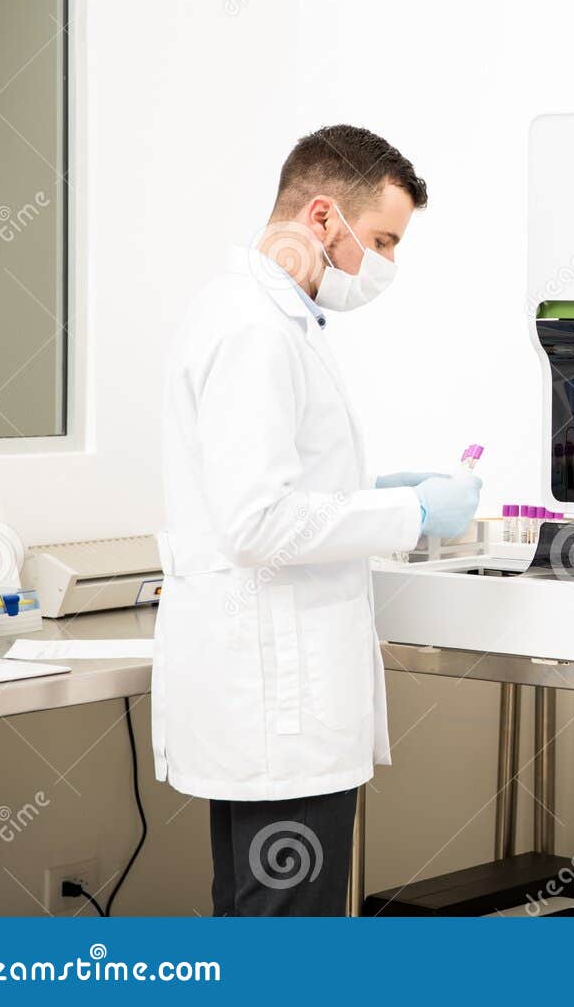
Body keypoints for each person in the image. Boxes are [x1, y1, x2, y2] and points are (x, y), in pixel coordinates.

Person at [154, 125, 480, 915]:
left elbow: (272, 485)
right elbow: (258, 522)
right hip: (280, 708)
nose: (385, 265)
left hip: (266, 703)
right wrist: (410, 510)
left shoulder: (263, 314)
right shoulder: (256, 328)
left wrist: (374, 489)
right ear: (324, 217)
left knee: (258, 926)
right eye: (382, 241)